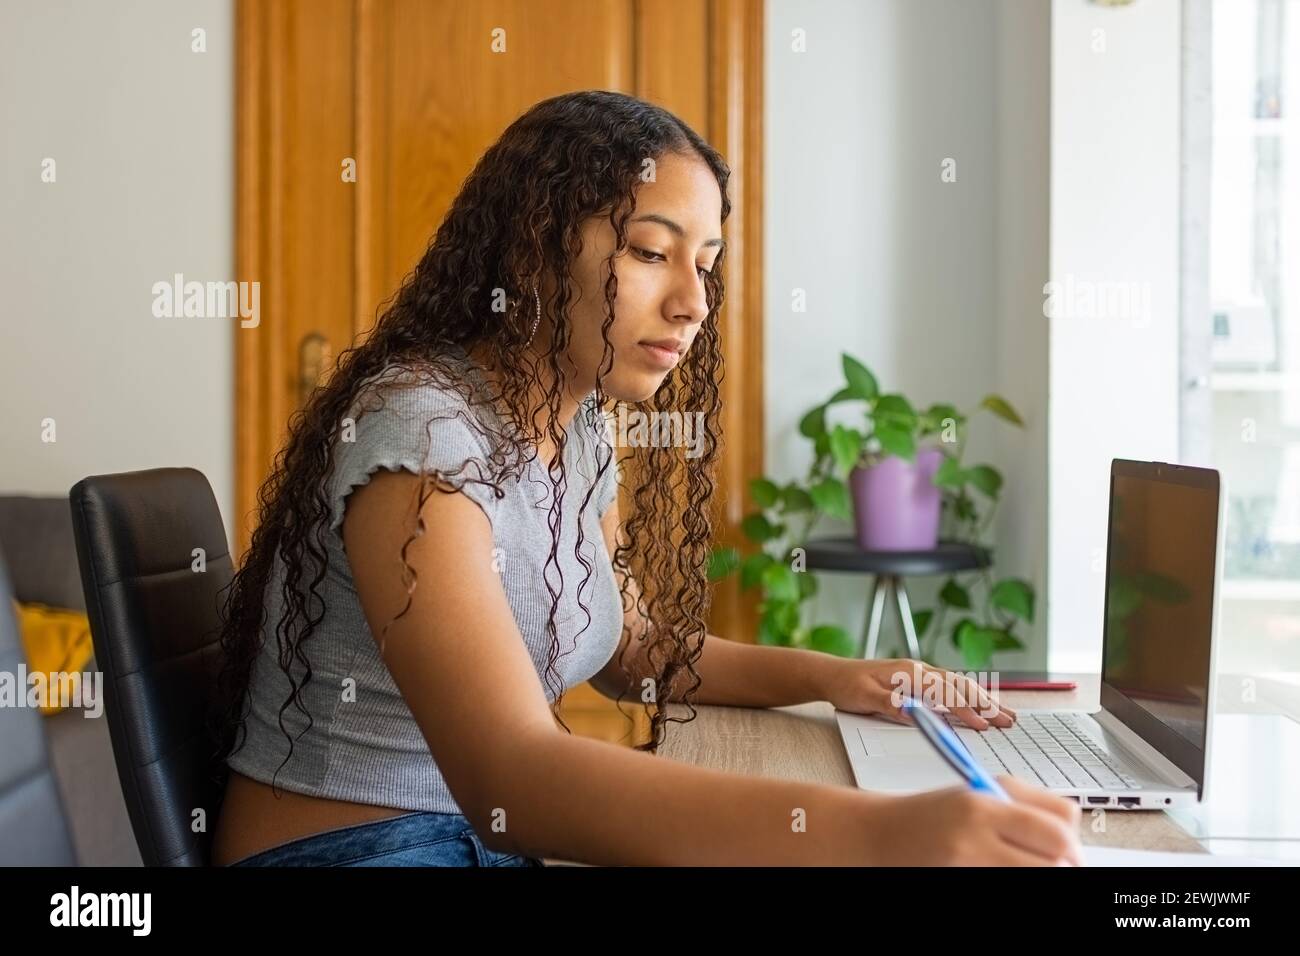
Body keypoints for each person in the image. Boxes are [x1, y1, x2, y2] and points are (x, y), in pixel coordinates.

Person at [208, 90, 1082, 867]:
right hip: (355, 849)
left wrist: (838, 676)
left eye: (705, 264)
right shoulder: (425, 431)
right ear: (533, 249)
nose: (693, 302)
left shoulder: (579, 428)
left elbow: (633, 651)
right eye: (652, 251)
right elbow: (513, 779)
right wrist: (880, 835)